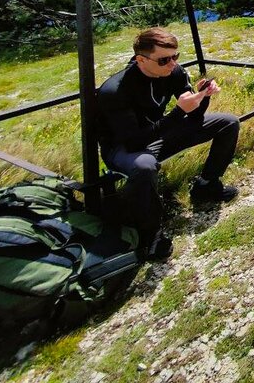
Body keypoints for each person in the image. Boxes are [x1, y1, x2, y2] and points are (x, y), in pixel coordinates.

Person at [97, 28, 240, 260]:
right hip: (123, 147)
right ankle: (150, 233)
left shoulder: (174, 72)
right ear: (141, 60)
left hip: (159, 133)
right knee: (144, 166)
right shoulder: (116, 90)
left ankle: (206, 185)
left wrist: (202, 97)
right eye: (164, 60)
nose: (172, 63)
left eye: (175, 56)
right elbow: (133, 141)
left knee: (228, 123)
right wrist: (177, 113)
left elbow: (195, 116)